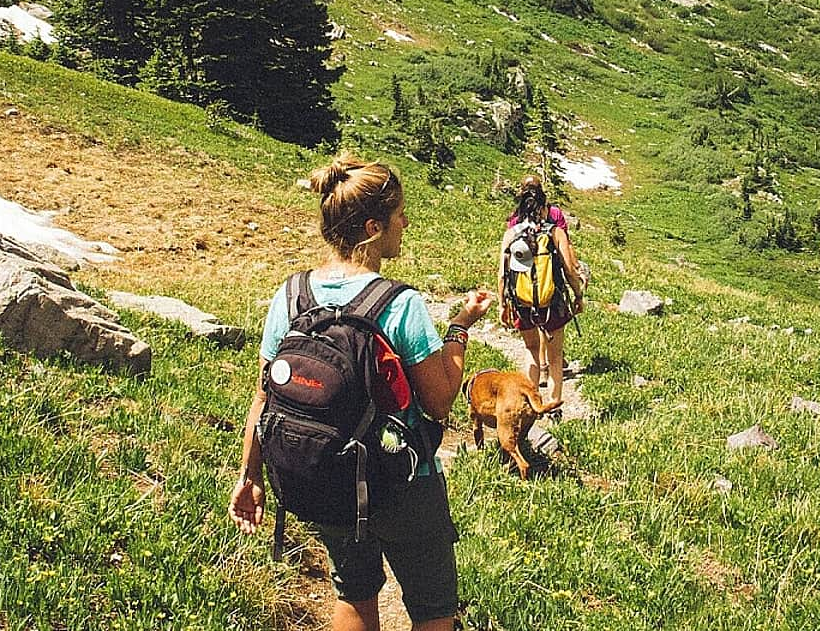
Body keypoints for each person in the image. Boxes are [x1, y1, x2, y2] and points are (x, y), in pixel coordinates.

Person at [230, 153, 493, 631]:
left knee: (354, 595)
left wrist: (250, 475)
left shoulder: (291, 295)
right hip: (403, 482)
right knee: (434, 610)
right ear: (373, 227)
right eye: (398, 215)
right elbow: (439, 401)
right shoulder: (399, 303)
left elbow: (264, 395)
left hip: (327, 476)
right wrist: (458, 329)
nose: (405, 223)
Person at [497, 176, 584, 406]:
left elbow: (502, 274)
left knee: (531, 350)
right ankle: (554, 407)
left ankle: (530, 404)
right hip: (552, 301)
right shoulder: (555, 232)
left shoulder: (511, 233)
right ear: (544, 206)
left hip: (522, 302)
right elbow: (569, 270)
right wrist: (578, 296)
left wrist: (502, 304)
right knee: (555, 358)